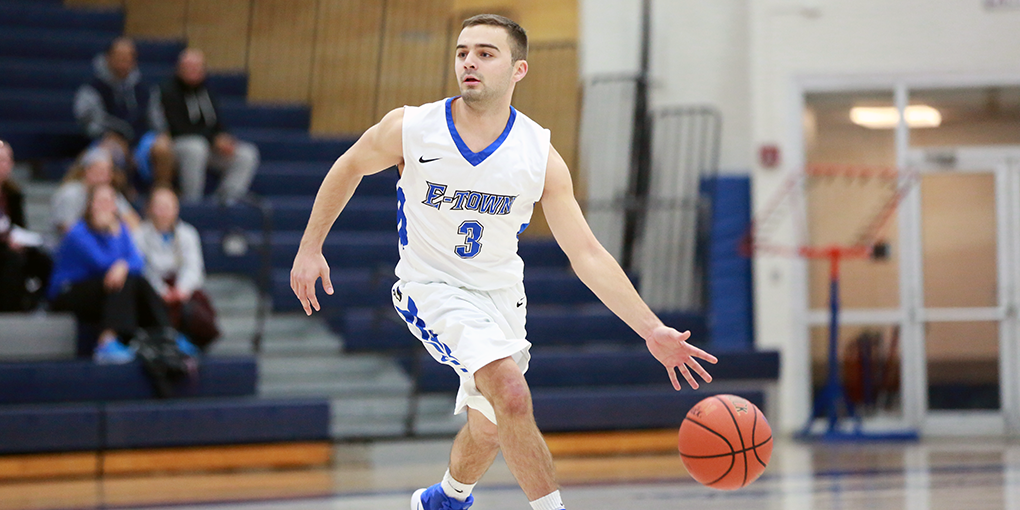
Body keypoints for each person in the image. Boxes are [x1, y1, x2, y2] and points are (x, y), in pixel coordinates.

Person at [290, 14, 718, 510]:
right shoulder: (412, 127)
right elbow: (347, 167)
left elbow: (586, 253)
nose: (469, 61)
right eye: (462, 51)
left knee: (491, 426)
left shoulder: (538, 153)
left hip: (501, 298)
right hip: (431, 287)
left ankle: (447, 498)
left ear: (519, 70)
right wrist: (309, 247)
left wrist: (650, 329)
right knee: (511, 394)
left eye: (486, 53)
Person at [49, 183, 174, 363]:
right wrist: (116, 246)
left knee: (137, 281)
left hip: (102, 288)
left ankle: (166, 334)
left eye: (109, 201)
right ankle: (107, 342)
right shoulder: (78, 232)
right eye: (101, 201)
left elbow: (138, 260)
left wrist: (123, 264)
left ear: (115, 206)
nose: (105, 206)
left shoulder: (120, 228)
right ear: (90, 205)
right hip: (68, 291)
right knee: (123, 280)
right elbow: (101, 263)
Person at [73, 37, 175, 190]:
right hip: (108, 138)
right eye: (120, 57)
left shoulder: (145, 88)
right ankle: (121, 195)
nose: (124, 62)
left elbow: (157, 119)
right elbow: (88, 122)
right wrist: (109, 134)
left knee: (163, 146)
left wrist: (161, 134)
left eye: (129, 57)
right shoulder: (92, 88)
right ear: (108, 58)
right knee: (111, 151)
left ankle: (161, 193)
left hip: (141, 139)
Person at [159, 48, 260, 204]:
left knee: (247, 154)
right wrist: (213, 139)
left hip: (209, 145)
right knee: (196, 148)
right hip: (178, 144)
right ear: (179, 69)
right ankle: (192, 202)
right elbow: (177, 128)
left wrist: (224, 137)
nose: (194, 71)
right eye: (189, 67)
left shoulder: (207, 90)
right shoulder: (168, 91)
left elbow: (217, 123)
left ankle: (226, 199)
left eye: (197, 68)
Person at [134, 185, 219, 349]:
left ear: (176, 209)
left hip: (182, 290)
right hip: (153, 290)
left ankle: (189, 343)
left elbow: (194, 267)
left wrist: (181, 290)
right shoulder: (139, 235)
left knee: (193, 307)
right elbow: (143, 269)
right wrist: (162, 291)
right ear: (150, 209)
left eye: (168, 206)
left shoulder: (188, 233)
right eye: (159, 206)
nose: (164, 211)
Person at [0, 140, 52, 311]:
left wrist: (19, 241)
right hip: (3, 248)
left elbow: (20, 227)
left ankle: (37, 303)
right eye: (1, 160)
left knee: (43, 259)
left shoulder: (13, 194)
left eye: (8, 160)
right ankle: (10, 311)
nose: (5, 165)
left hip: (11, 245)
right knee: (11, 259)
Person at [51, 146, 141, 237]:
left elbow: (133, 222)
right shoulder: (70, 193)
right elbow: (68, 230)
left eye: (108, 171)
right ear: (87, 170)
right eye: (101, 171)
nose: (106, 176)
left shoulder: (108, 193)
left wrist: (119, 230)